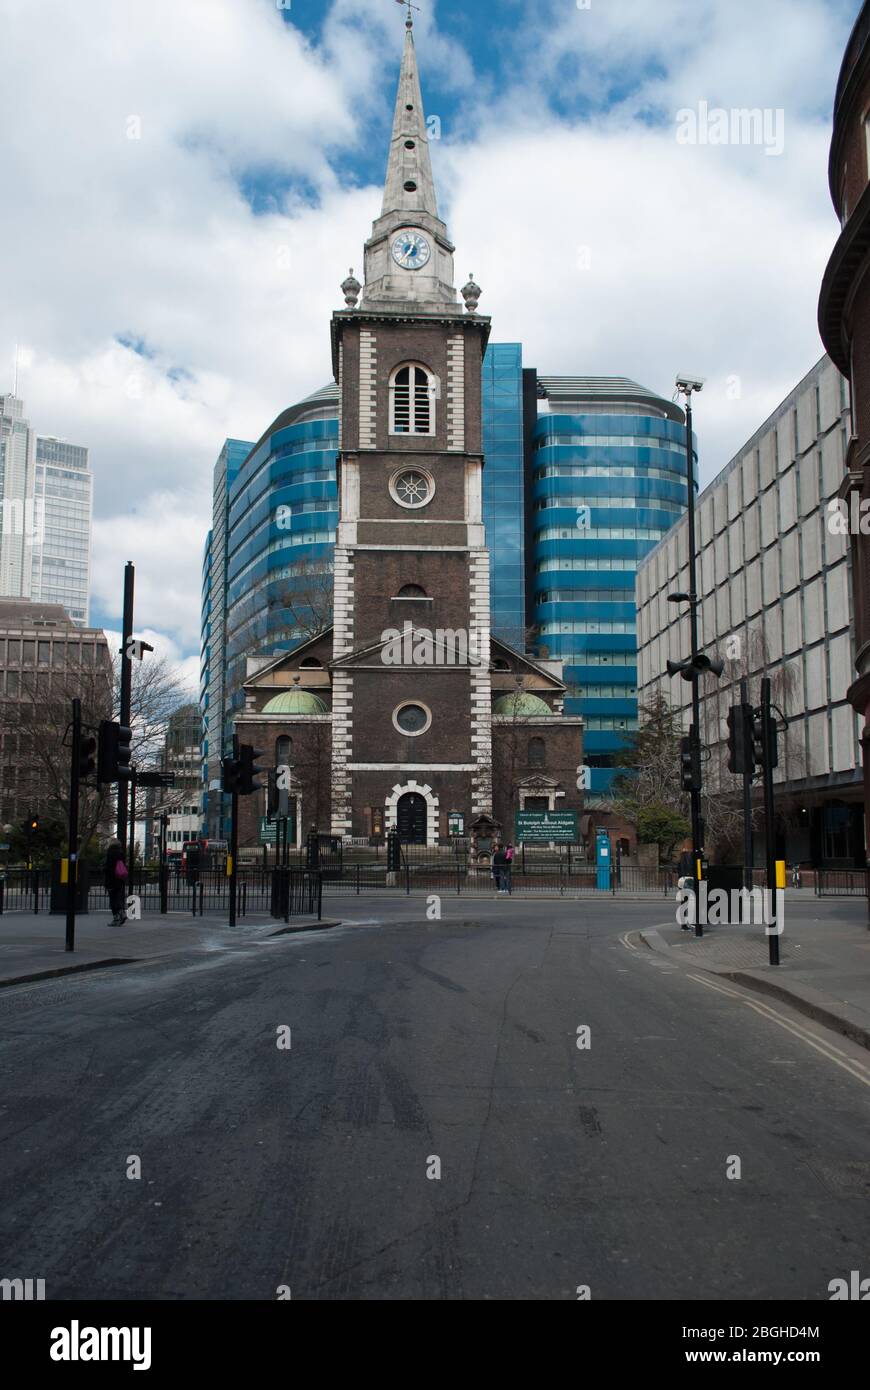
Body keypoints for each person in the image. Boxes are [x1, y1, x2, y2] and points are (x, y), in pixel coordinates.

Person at [104, 840, 129, 926]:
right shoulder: (121, 853)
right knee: (117, 897)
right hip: (120, 878)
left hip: (111, 879)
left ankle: (116, 917)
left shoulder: (110, 853)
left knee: (112, 899)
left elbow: (108, 867)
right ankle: (122, 912)